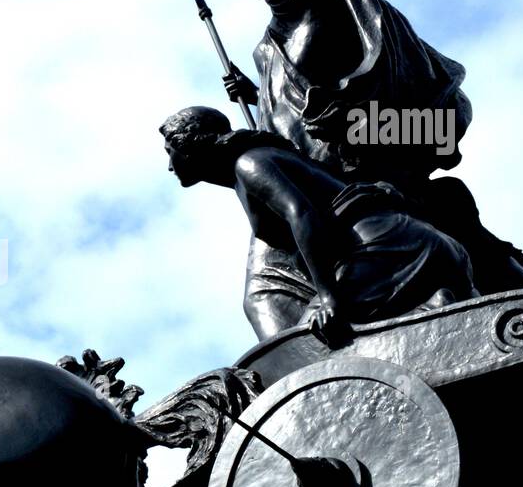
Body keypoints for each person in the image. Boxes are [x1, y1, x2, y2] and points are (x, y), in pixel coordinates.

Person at [89, 0, 523, 337]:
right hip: (327, 178)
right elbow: (301, 116)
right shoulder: (317, 28)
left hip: (337, 188)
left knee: (268, 295)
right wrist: (257, 92)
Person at [160, 106, 478, 345]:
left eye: (170, 151)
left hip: (392, 252)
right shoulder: (249, 167)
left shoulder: (249, 163)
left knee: (306, 341)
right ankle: (437, 306)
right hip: (393, 249)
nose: (170, 164)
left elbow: (301, 214)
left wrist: (328, 296)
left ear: (190, 142)